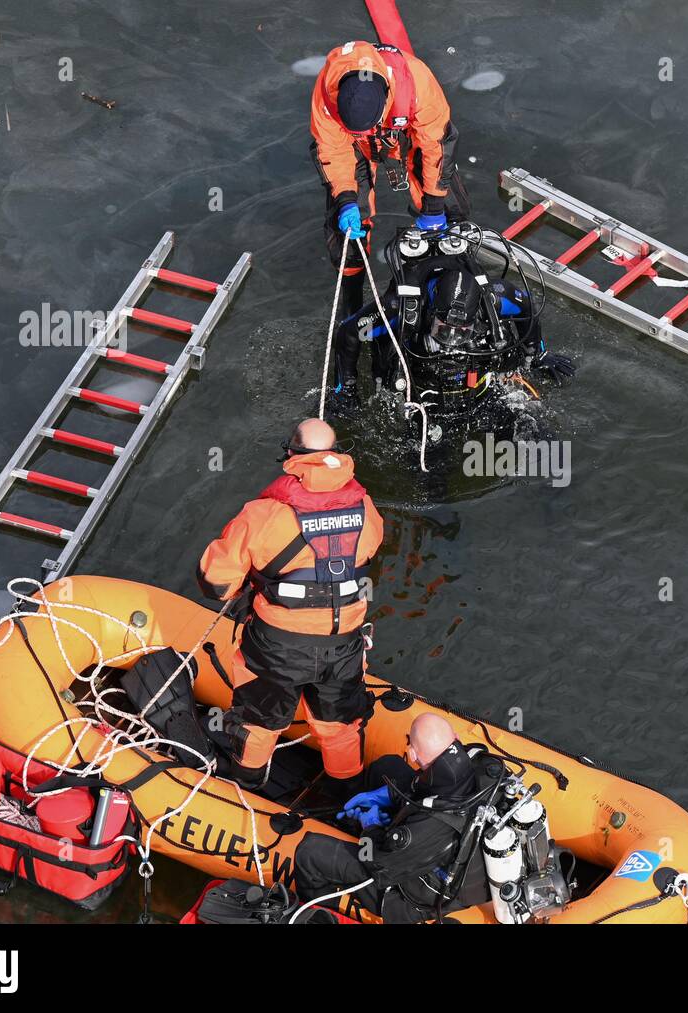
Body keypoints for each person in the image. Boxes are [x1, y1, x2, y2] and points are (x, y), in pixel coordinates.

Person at [197, 419, 383, 790]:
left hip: (277, 645)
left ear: (292, 455)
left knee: (260, 719)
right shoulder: (366, 508)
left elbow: (215, 582)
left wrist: (254, 583)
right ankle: (345, 794)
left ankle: (246, 783)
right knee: (340, 724)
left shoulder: (264, 514)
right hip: (343, 643)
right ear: (335, 454)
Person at [330, 229, 576, 417]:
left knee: (517, 422)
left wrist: (538, 355)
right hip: (422, 386)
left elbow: (527, 308)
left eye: (461, 332)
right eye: (444, 330)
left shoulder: (495, 297)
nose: (451, 340)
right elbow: (349, 331)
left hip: (474, 380)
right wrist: (347, 390)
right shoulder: (399, 307)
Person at [309, 40, 471, 318]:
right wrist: (347, 199)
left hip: (407, 136)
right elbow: (333, 150)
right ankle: (351, 309)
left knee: (450, 214)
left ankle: (453, 295)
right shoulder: (327, 93)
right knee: (346, 232)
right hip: (354, 147)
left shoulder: (418, 84)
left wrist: (433, 207)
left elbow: (436, 147)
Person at [287, 713, 497, 923]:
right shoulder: (478, 766)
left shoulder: (431, 825)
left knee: (310, 853)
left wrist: (370, 827)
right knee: (387, 767)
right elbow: (430, 788)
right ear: (456, 739)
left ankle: (320, 918)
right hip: (445, 843)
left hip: (411, 895)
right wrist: (387, 794)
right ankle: (361, 822)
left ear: (412, 754)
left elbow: (379, 863)